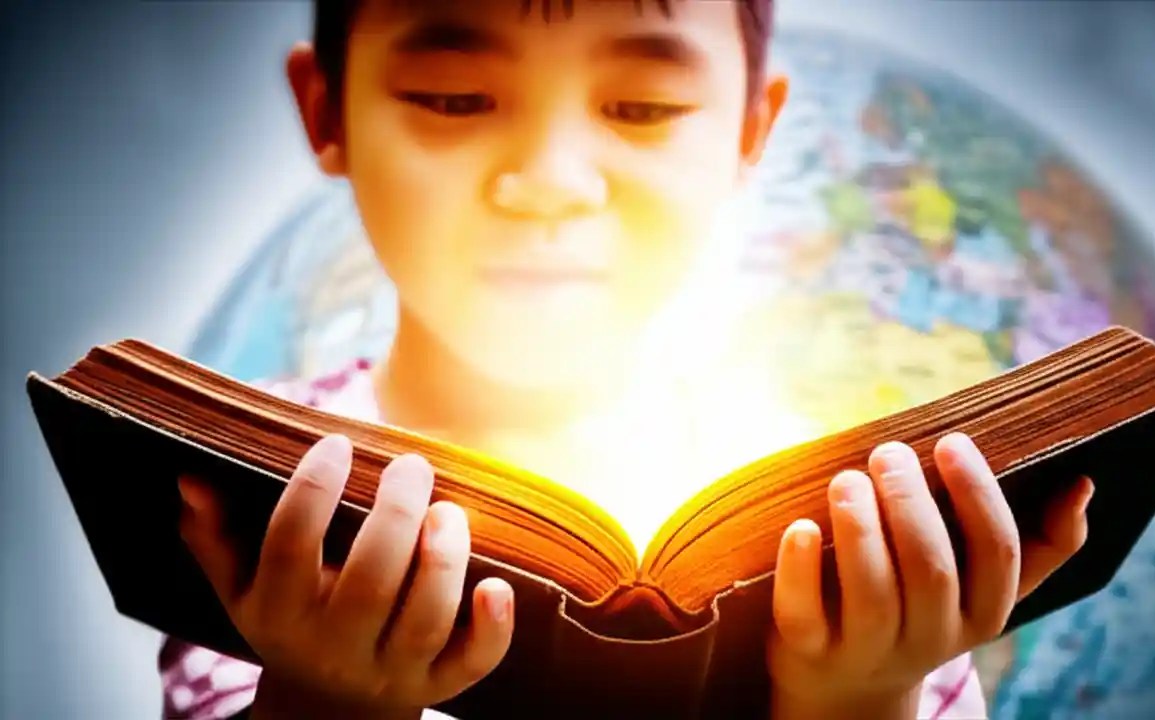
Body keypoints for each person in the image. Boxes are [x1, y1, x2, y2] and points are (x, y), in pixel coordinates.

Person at [163, 1, 1094, 718]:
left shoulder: (870, 534)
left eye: (644, 107)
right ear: (327, 109)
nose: (550, 183)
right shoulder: (252, 496)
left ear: (748, 133)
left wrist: (860, 703)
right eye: (453, 96)